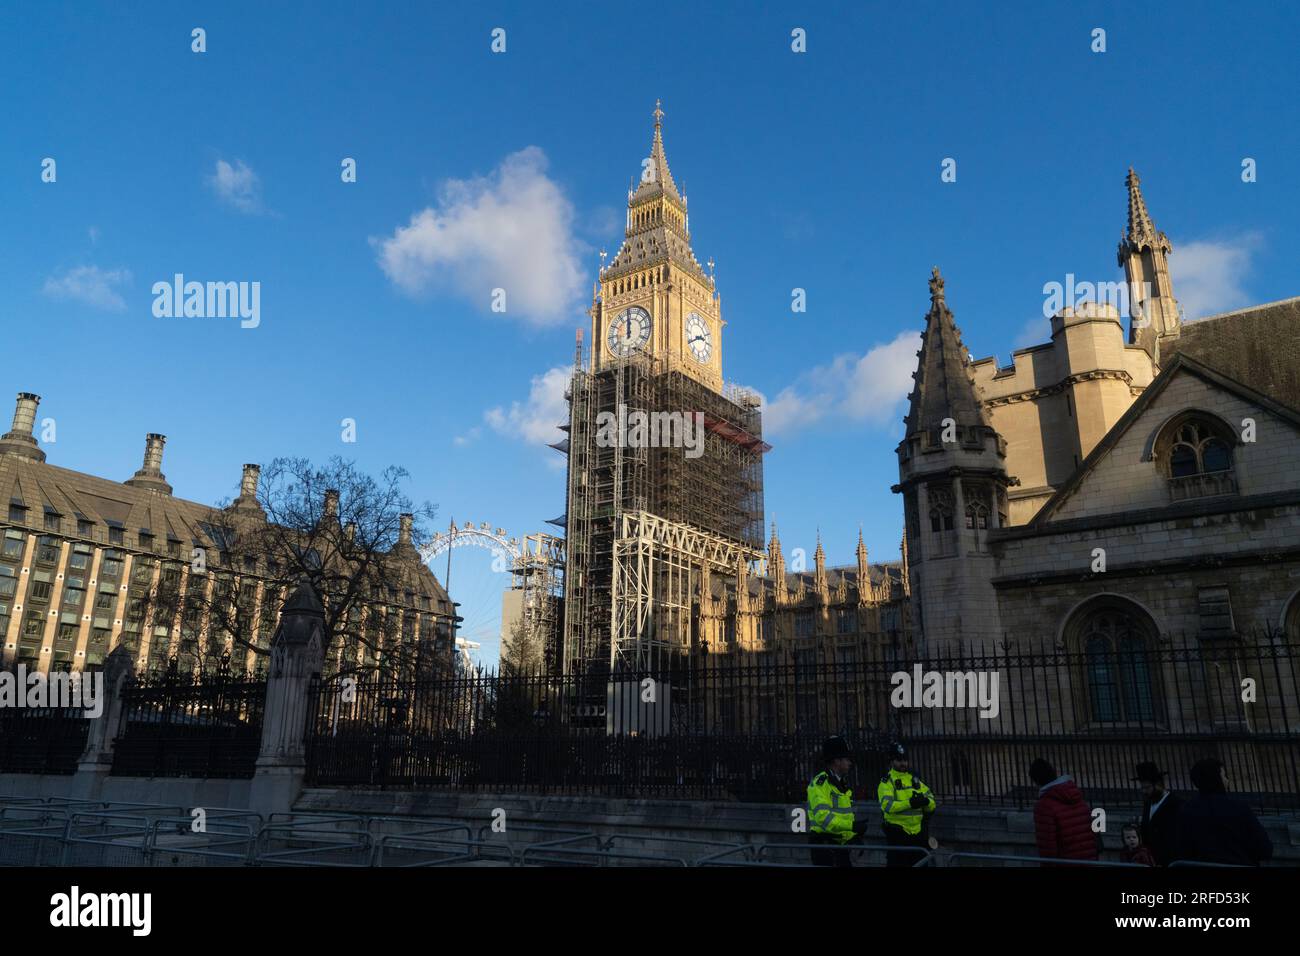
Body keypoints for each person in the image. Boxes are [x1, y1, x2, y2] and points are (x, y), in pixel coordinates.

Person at [1173, 758, 1272, 867]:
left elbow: (1182, 849)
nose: (1227, 780)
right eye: (1224, 776)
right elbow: (1264, 848)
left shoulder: (1186, 810)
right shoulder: (1238, 808)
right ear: (1217, 779)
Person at [807, 735, 868, 867]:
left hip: (838, 847)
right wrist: (851, 827)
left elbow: (842, 816)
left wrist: (852, 836)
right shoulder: (820, 784)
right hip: (825, 849)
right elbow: (823, 818)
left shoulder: (840, 784)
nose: (849, 763)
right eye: (846, 759)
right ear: (836, 761)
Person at [1029, 758, 1098, 865]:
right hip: (1090, 858)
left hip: (1066, 860)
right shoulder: (1076, 795)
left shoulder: (1044, 805)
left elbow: (1047, 845)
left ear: (1036, 780)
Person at [877, 742, 936, 867]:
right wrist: (910, 803)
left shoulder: (915, 780)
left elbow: (932, 801)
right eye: (899, 760)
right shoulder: (887, 782)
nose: (903, 763)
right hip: (899, 836)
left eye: (905, 759)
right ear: (892, 761)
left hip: (918, 836)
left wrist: (925, 802)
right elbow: (887, 806)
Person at [1135, 761, 1181, 866]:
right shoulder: (1148, 804)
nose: (1144, 791)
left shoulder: (1176, 803)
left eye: (1147, 787)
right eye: (1142, 788)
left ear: (1158, 784)